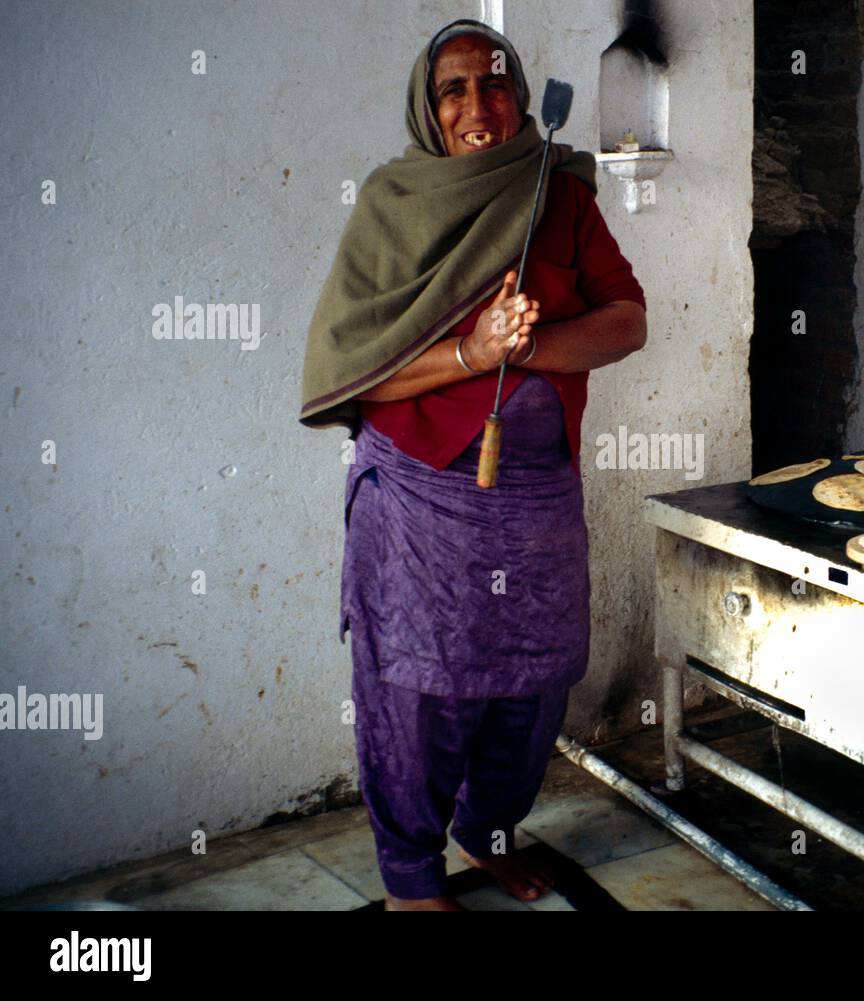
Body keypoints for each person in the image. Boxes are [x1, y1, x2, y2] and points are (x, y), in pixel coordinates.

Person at [298, 19, 647, 911]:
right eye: (453, 89)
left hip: (535, 495)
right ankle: (413, 880)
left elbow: (627, 318)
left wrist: (529, 352)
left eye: (494, 84)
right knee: (420, 684)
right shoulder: (392, 203)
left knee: (534, 678)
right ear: (429, 105)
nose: (477, 106)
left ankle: (487, 835)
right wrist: (472, 351)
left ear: (522, 96)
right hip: (419, 494)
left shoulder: (558, 194)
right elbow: (356, 366)